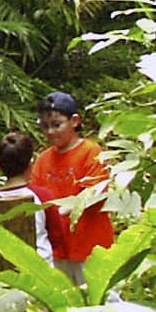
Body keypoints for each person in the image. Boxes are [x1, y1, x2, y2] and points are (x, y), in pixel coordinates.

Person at [28, 89, 116, 288]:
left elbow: (94, 191)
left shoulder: (91, 151)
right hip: (58, 249)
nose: (50, 132)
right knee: (65, 303)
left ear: (74, 121)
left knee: (103, 301)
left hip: (91, 247)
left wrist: (57, 212)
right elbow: (36, 198)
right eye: (45, 126)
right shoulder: (43, 160)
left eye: (56, 125)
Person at [0, 128, 57, 265]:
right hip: (43, 272)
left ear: (0, 165)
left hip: (5, 275)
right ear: (30, 164)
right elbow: (57, 236)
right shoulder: (43, 196)